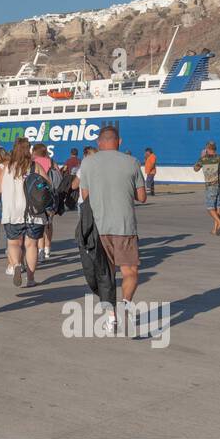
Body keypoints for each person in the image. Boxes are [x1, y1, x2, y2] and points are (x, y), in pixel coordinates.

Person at [72, 127, 147, 334]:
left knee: (106, 274)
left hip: (98, 226)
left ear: (98, 142)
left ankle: (112, 318)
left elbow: (86, 196)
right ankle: (127, 303)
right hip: (124, 226)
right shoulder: (131, 162)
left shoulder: (87, 162)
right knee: (130, 272)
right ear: (119, 141)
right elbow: (142, 197)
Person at [0, 138, 44, 288]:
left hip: (12, 211)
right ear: (29, 150)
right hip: (34, 211)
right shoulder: (35, 166)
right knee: (31, 245)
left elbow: (0, 188)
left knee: (14, 243)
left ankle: (17, 264)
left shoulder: (6, 167)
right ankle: (30, 279)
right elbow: (47, 186)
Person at [193, 141, 220, 235]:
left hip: (211, 185)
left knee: (210, 207)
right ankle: (215, 229)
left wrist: (202, 156)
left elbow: (195, 169)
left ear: (207, 149)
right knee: (218, 207)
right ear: (215, 148)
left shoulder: (203, 158)